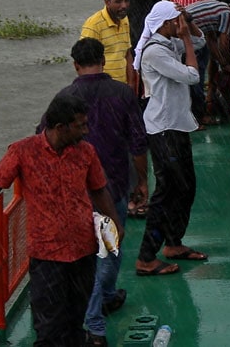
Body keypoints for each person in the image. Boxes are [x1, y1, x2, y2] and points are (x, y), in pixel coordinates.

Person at [0, 94, 120, 347]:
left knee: (75, 321)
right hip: (47, 258)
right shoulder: (22, 152)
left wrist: (114, 227)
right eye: (81, 125)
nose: (87, 130)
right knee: (48, 329)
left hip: (83, 252)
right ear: (60, 127)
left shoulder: (86, 152)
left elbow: (99, 190)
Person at [55, 39, 148, 342]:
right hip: (113, 188)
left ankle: (104, 298)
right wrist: (142, 181)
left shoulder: (65, 97)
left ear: (75, 65)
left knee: (87, 254)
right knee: (108, 249)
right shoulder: (121, 93)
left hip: (75, 194)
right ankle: (95, 320)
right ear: (104, 61)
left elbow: (45, 140)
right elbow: (137, 142)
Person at [133, 1, 207, 277]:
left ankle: (174, 243)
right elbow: (191, 76)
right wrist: (185, 38)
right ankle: (145, 256)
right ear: (166, 24)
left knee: (186, 187)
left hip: (178, 125)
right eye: (177, 21)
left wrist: (188, 25)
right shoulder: (155, 52)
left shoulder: (167, 43)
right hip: (163, 129)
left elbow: (200, 42)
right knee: (166, 192)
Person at [81, 0, 134, 85]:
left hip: (122, 87)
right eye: (118, 1)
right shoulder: (93, 24)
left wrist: (131, 84)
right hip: (102, 88)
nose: (124, 6)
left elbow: (127, 54)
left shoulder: (124, 20)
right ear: (107, 2)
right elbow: (85, 61)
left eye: (126, 0)